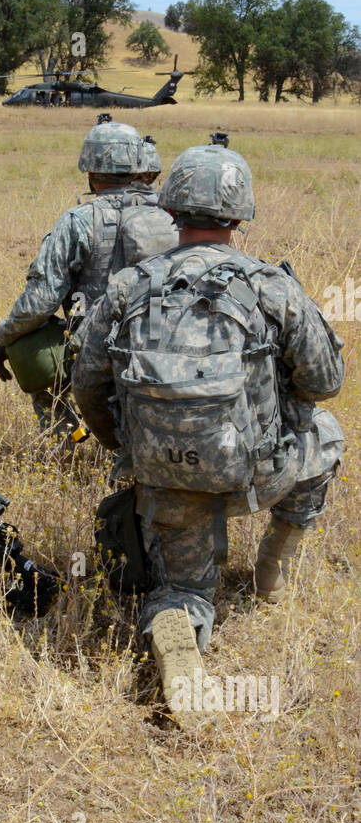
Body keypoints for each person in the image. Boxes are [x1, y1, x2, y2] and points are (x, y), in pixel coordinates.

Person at [72, 144, 344, 719]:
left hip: (168, 483)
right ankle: (273, 569)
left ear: (171, 212)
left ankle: (181, 638)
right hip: (259, 473)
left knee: (181, 591)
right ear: (239, 215)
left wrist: (129, 451)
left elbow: (87, 387)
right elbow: (324, 383)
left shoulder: (127, 288)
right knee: (327, 432)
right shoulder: (274, 287)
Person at [0, 118, 177, 445]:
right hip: (171, 345)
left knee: (31, 351)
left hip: (96, 350)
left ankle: (71, 442)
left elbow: (40, 302)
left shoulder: (78, 221)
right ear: (139, 167)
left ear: (89, 171)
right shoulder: (172, 215)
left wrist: (4, 339)